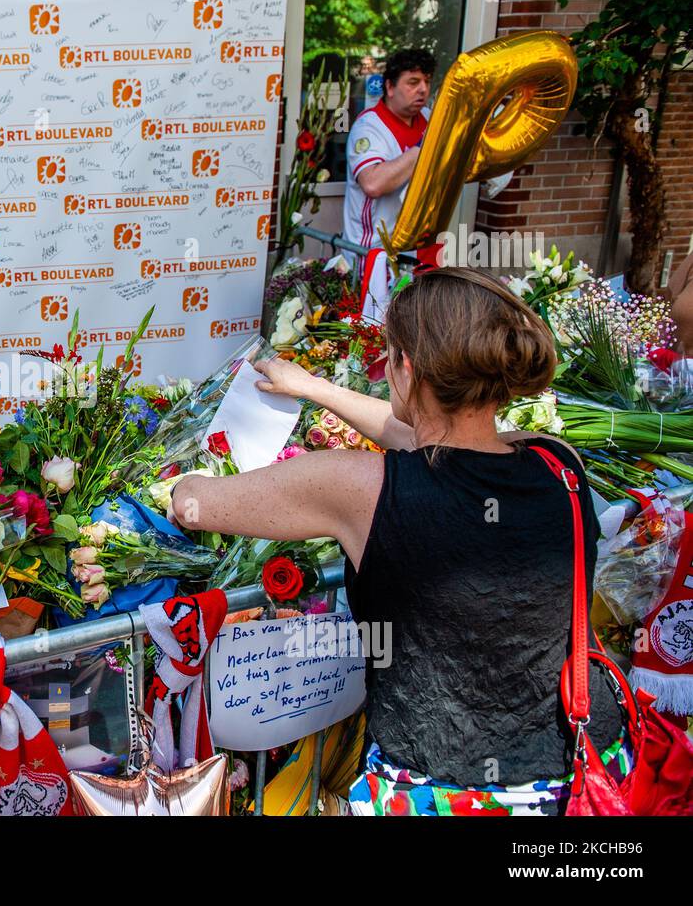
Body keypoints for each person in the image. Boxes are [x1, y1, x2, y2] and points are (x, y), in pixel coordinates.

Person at [170, 267, 629, 815]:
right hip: (582, 774)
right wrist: (313, 388)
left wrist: (182, 478)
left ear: (407, 368)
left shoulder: (362, 487)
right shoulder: (559, 463)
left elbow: (196, 506)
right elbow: (442, 441)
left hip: (443, 791)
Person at [342, 49, 437, 314]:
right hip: (374, 257)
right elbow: (373, 183)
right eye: (413, 82)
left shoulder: (429, 119)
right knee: (373, 336)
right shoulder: (369, 127)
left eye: (427, 82)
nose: (422, 90)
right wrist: (422, 149)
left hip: (419, 251)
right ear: (390, 86)